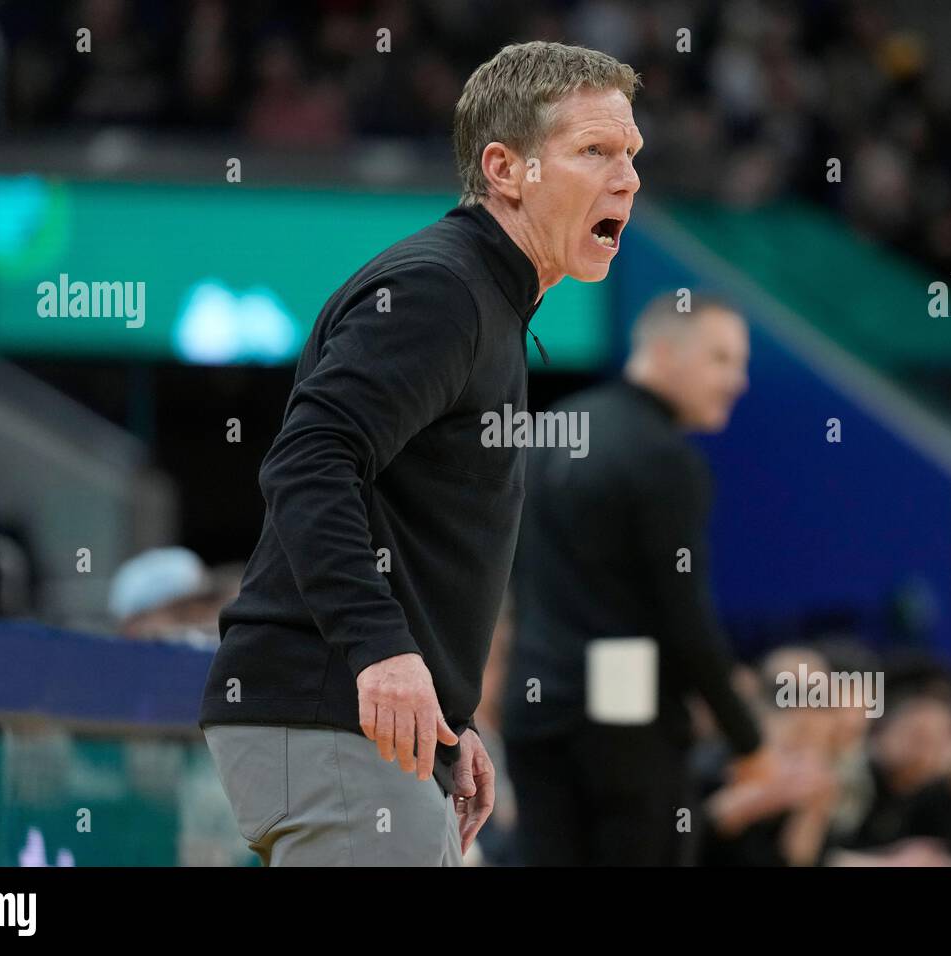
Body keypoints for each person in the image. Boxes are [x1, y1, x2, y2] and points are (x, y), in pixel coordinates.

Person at [199, 40, 643, 866]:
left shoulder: (487, 300)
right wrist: (382, 652)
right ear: (506, 169)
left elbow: (406, 524)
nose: (627, 179)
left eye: (631, 155)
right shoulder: (442, 292)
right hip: (330, 711)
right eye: (594, 151)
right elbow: (309, 460)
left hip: (363, 725)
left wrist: (450, 716)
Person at [501, 291, 767, 866]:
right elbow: (685, 617)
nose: (739, 381)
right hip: (623, 728)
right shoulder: (665, 459)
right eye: (722, 359)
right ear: (665, 353)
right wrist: (746, 737)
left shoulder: (553, 430)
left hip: (533, 711)